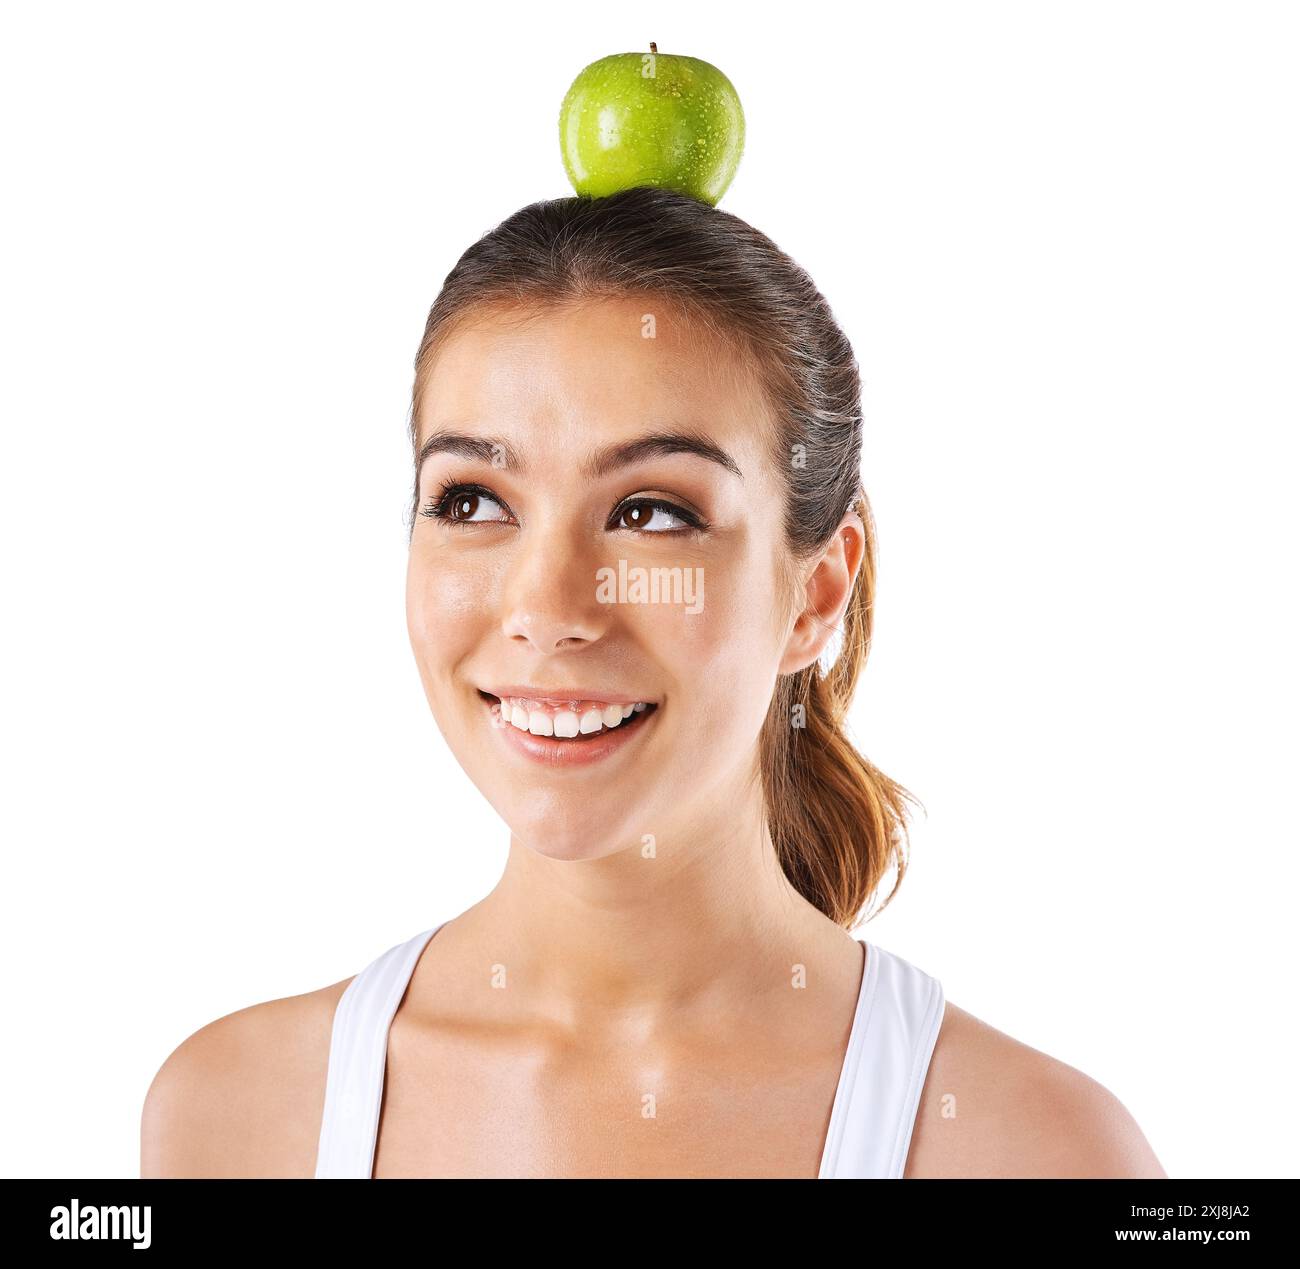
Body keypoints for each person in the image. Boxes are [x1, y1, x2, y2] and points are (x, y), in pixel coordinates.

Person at [141, 186, 1164, 1179]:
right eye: (470, 499)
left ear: (814, 594)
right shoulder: (237, 1112)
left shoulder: (1038, 1152)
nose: (546, 607)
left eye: (653, 512)